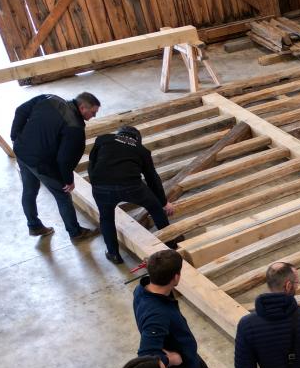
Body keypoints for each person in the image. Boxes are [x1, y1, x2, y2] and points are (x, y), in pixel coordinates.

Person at [10, 92, 102, 240]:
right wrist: (68, 180)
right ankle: (75, 232)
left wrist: (15, 136)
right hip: (40, 163)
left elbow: (20, 110)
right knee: (63, 195)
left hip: (22, 151)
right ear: (83, 107)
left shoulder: (49, 98)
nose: (94, 116)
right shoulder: (75, 127)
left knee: (29, 190)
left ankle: (34, 226)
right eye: (93, 112)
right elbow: (64, 159)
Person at [89, 125, 176, 264]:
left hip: (102, 186)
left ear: (119, 134)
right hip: (131, 186)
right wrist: (163, 202)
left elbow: (92, 163)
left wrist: (96, 183)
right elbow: (152, 178)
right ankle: (171, 243)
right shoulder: (141, 150)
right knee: (155, 208)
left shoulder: (103, 140)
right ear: (137, 139)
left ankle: (113, 254)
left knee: (106, 218)